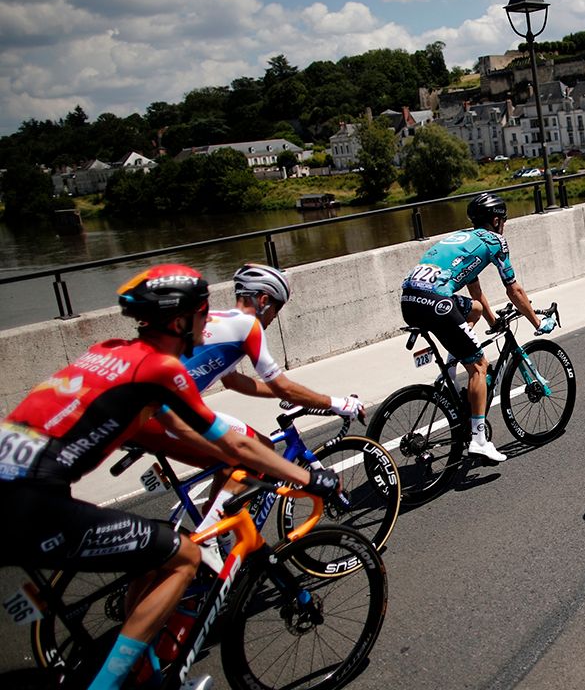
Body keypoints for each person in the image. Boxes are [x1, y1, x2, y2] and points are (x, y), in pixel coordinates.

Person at [0, 264, 339, 690]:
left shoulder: (108, 350)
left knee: (155, 547)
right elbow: (235, 445)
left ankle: (140, 649)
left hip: (18, 486)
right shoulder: (161, 369)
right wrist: (306, 478)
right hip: (30, 503)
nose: (208, 319)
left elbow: (174, 429)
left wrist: (221, 459)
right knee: (184, 557)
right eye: (202, 312)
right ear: (180, 321)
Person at [129, 263, 364, 536]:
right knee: (259, 450)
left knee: (232, 462)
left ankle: (214, 528)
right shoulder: (247, 326)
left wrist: (300, 396)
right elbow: (283, 386)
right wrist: (337, 402)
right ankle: (210, 536)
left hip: (142, 411)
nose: (275, 316)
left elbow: (236, 382)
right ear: (264, 301)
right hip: (164, 413)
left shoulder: (222, 321)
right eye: (277, 307)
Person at [400, 193, 555, 463]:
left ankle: (451, 365)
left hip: (409, 300)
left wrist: (493, 321)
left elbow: (476, 293)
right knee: (480, 366)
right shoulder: (495, 241)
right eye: (503, 220)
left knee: (475, 309)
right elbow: (515, 290)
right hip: (436, 302)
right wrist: (538, 322)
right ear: (496, 220)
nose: (504, 225)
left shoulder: (465, 240)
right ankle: (480, 440)